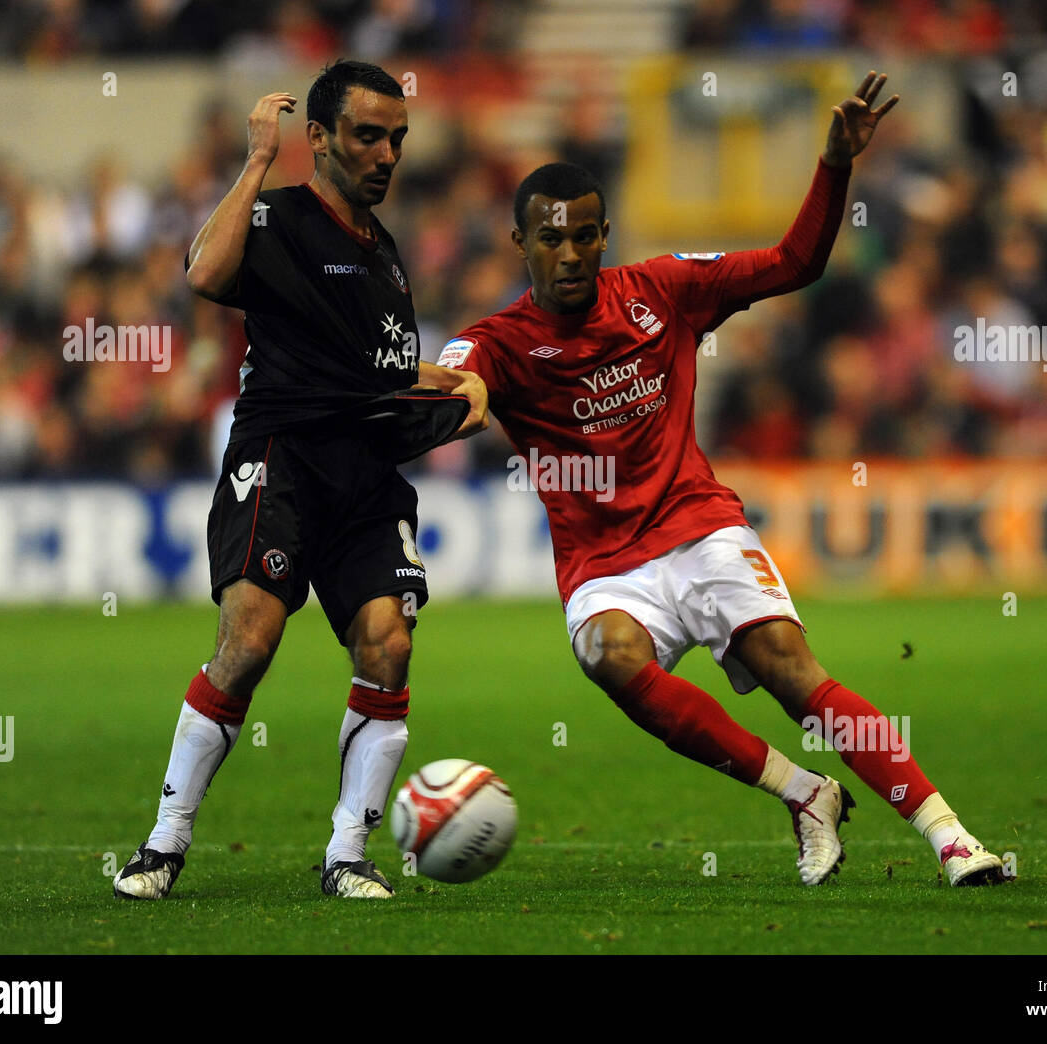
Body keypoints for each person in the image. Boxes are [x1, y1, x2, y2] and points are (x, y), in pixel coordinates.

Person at [425, 72, 1007, 887]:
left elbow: (795, 263)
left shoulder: (663, 290)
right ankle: (803, 792)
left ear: (603, 236)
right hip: (602, 564)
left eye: (583, 237)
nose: (567, 255)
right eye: (548, 240)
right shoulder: (496, 339)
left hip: (697, 522)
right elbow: (455, 385)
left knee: (790, 668)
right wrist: (461, 398)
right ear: (519, 243)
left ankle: (950, 837)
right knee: (608, 654)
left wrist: (834, 165)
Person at [113, 60, 487, 901]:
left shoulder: (386, 255)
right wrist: (253, 163)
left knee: (388, 645)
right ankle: (165, 843)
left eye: (397, 138)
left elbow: (376, 372)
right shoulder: (278, 217)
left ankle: (348, 853)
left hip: (366, 474)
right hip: (281, 460)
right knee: (248, 643)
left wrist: (451, 385)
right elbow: (205, 276)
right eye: (367, 136)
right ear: (315, 138)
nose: (387, 153)